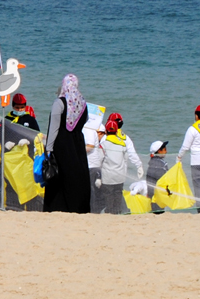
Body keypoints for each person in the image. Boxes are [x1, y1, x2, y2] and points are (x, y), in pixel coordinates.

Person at [43, 74, 92, 213]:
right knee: (77, 176)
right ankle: (79, 208)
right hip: (77, 144)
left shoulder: (59, 102)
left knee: (59, 176)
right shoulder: (83, 104)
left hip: (62, 144)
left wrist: (49, 148)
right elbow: (85, 120)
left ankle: (57, 207)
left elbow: (54, 127)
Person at [94, 114, 141, 215]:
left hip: (108, 176)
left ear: (106, 130)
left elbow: (100, 161)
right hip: (120, 175)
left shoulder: (103, 142)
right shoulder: (124, 141)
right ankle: (120, 212)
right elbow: (129, 156)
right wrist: (139, 165)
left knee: (108, 196)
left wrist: (98, 176)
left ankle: (110, 212)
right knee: (118, 195)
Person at [145, 140, 170, 214]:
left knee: (153, 210)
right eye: (165, 149)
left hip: (151, 194)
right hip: (160, 195)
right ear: (159, 151)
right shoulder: (163, 164)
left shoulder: (150, 163)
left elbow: (148, 180)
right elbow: (166, 180)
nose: (166, 152)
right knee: (160, 211)